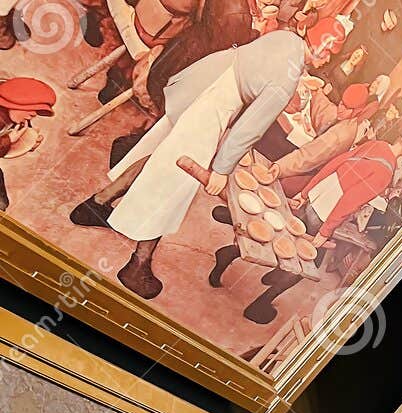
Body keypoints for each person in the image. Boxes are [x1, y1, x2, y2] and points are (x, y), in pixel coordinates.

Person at [69, 18, 347, 300]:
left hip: (207, 78)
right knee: (175, 184)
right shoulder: (286, 81)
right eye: (331, 53)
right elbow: (250, 127)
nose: (328, 58)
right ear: (325, 52)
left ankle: (94, 205)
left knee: (161, 153)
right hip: (215, 103)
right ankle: (137, 266)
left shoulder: (288, 38)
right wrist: (221, 169)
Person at [0, 77, 56, 212]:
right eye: (31, 110)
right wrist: (9, 140)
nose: (33, 115)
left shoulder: (16, 118)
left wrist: (28, 142)